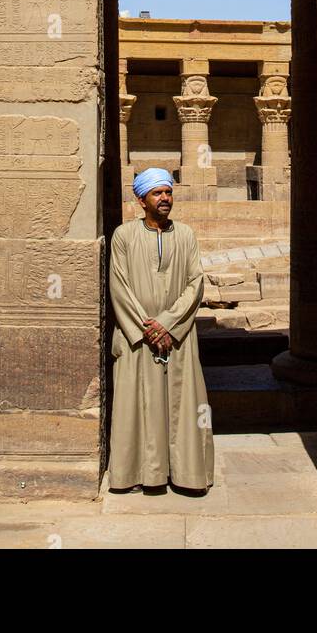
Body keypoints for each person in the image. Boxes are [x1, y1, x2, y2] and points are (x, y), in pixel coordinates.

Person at [107, 167, 214, 492]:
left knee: (183, 404)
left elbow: (195, 283)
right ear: (141, 200)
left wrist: (167, 324)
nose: (165, 198)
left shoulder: (185, 235)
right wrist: (148, 328)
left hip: (177, 336)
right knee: (138, 405)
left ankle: (187, 474)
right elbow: (119, 287)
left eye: (168, 192)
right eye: (158, 193)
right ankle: (139, 473)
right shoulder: (123, 236)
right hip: (137, 337)